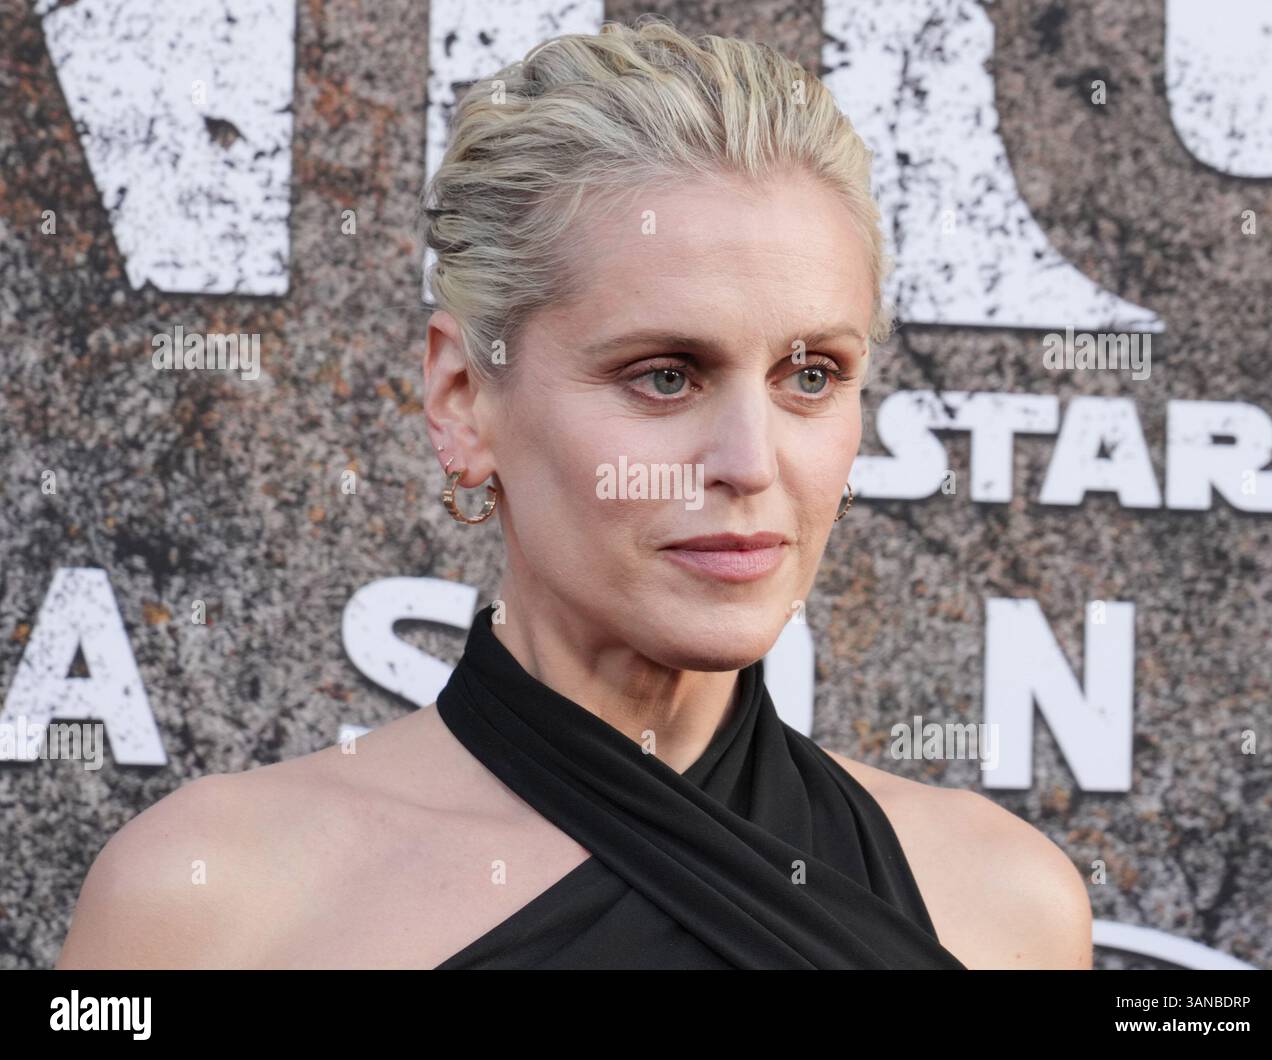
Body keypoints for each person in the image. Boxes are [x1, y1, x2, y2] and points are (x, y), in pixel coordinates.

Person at [56, 16, 1092, 969]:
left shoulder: (1002, 905)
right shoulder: (205, 905)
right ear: (464, 399)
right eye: (665, 375)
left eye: (810, 374)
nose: (749, 460)